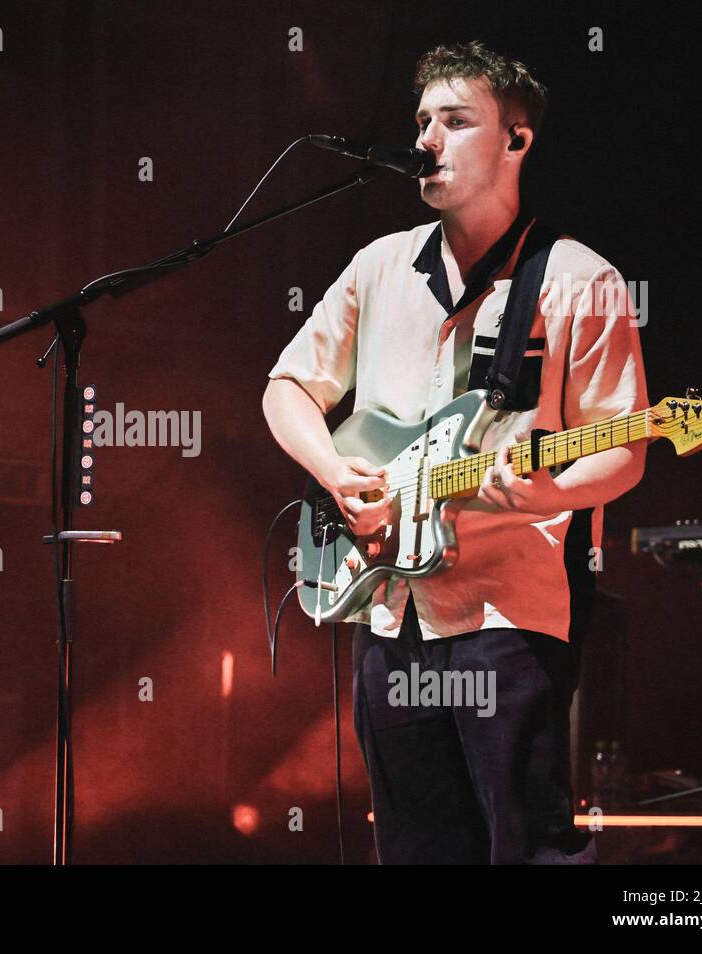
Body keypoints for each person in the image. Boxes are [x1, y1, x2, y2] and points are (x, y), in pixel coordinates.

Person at [262, 41, 646, 863]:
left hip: (506, 617)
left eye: (456, 121)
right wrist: (337, 473)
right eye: (422, 121)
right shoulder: (379, 267)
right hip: (387, 605)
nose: (428, 138)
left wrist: (538, 495)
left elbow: (625, 447)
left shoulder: (580, 280)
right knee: (414, 847)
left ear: (516, 140)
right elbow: (286, 389)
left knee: (523, 844)